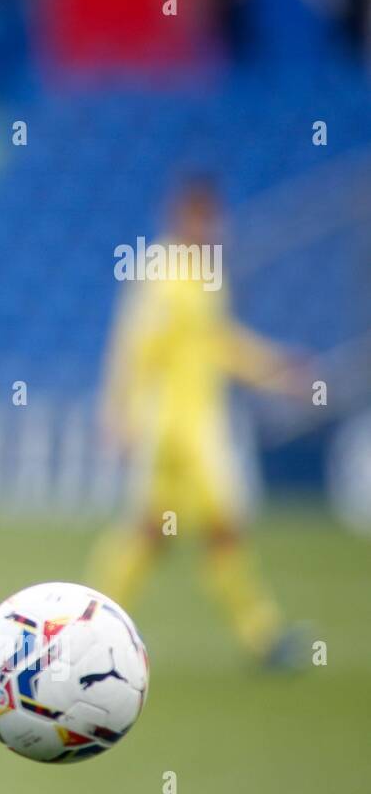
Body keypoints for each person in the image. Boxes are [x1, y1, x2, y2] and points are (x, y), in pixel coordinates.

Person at [87, 175, 309, 669]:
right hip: (182, 430)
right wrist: (118, 410)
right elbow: (137, 346)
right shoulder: (167, 271)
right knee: (223, 528)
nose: (210, 225)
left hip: (185, 428)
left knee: (152, 533)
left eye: (212, 216)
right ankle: (263, 637)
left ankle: (88, 626)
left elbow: (215, 343)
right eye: (200, 215)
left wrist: (275, 369)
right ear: (179, 216)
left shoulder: (201, 271)